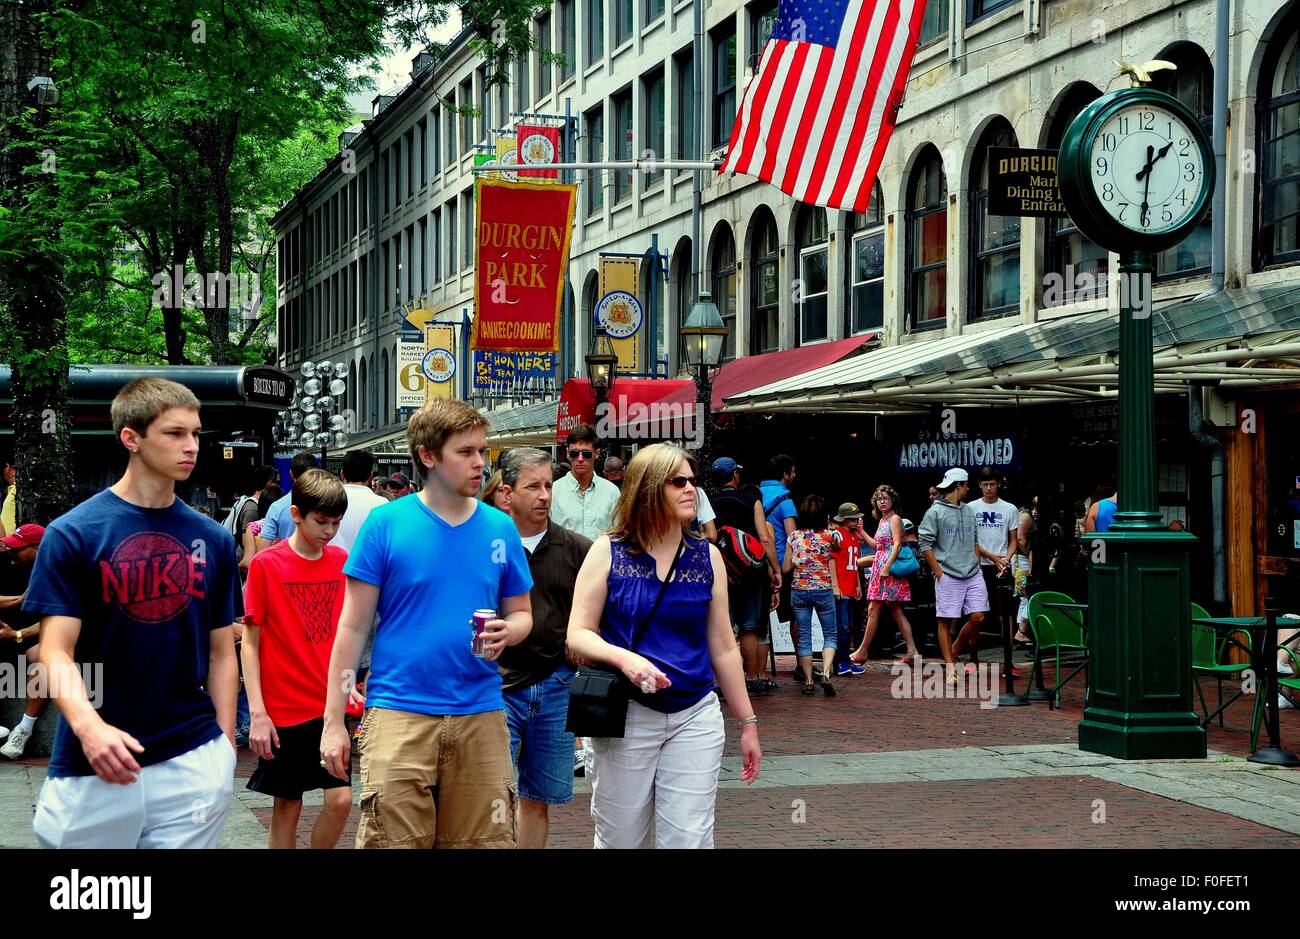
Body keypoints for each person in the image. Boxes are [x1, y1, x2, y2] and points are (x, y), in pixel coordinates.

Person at [24, 377, 239, 848]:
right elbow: (54, 651)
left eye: (196, 434)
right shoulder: (73, 535)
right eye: (174, 433)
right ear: (131, 439)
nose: (191, 446)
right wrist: (89, 726)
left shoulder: (215, 538)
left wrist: (223, 745)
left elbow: (223, 651)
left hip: (192, 755)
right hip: (94, 761)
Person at [320, 399, 534, 848]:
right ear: (428, 455)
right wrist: (333, 721)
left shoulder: (501, 528)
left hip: (481, 711)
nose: (480, 463)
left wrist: (510, 631)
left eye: (482, 450)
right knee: (393, 842)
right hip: (398, 710)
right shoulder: (385, 524)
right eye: (466, 452)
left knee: (486, 842)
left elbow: (522, 613)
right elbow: (353, 627)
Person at [567, 443, 761, 849]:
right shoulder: (608, 550)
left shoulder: (707, 557)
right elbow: (578, 632)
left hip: (695, 714)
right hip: (627, 713)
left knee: (689, 839)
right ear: (649, 489)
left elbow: (724, 646)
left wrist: (747, 723)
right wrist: (627, 660)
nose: (691, 489)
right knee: (621, 839)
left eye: (693, 481)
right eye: (678, 482)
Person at [242, 469, 354, 849]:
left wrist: (350, 685)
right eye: (321, 521)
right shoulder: (266, 565)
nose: (329, 530)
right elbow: (250, 643)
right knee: (287, 805)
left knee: (341, 800)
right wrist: (257, 712)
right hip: (284, 707)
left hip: (330, 706)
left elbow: (348, 634)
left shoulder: (342, 561)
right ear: (295, 514)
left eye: (336, 523)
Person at [497, 448, 591, 848]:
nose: (543, 496)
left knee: (539, 799)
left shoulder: (576, 548)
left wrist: (579, 639)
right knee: (494, 795)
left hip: (555, 686)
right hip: (497, 688)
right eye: (532, 486)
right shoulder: (488, 546)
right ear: (506, 492)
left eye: (548, 486)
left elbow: (594, 611)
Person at [710, 457, 781, 696]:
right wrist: (775, 569)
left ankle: (722, 683)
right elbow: (764, 538)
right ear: (735, 475)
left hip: (722, 573)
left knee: (724, 628)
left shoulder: (710, 503)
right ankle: (751, 679)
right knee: (750, 628)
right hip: (752, 572)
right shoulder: (751, 500)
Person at [917, 468, 987, 685]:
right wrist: (938, 571)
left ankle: (955, 649)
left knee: (979, 617)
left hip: (972, 572)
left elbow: (975, 540)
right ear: (959, 485)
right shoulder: (934, 512)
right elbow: (925, 543)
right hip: (947, 573)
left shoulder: (968, 511)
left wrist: (977, 564)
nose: (968, 489)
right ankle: (950, 668)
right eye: (966, 485)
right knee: (945, 619)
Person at [851, 486, 920, 664]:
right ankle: (912, 650)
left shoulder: (895, 519)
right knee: (895, 610)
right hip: (881, 567)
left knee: (874, 609)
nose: (882, 501)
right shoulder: (883, 520)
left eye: (885, 498)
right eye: (879, 498)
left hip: (886, 569)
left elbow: (897, 545)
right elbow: (878, 546)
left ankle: (863, 650)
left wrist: (887, 566)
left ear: (892, 500)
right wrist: (862, 532)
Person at [784, 495, 841, 697]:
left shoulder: (794, 537)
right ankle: (825, 673)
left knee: (804, 638)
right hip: (823, 589)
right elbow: (837, 550)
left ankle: (808, 681)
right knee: (830, 635)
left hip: (799, 589)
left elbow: (786, 567)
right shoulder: (829, 536)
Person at [0, 524, 47, 757]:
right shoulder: (10, 564)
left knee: (40, 656)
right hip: (12, 636)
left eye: (17, 549)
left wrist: (16, 635)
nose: (11, 552)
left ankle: (23, 730)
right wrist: (19, 600)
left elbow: (59, 622)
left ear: (38, 549)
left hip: (46, 638)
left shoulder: (59, 571)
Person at [970, 467, 1018, 672]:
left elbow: (1014, 541)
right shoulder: (970, 508)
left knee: (1005, 615)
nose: (989, 488)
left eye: (992, 484)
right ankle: (972, 659)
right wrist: (992, 557)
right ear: (979, 485)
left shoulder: (1009, 509)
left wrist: (1005, 560)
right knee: (975, 614)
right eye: (985, 484)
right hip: (978, 567)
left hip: (1002, 567)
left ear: (999, 484)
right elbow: (971, 542)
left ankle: (1009, 662)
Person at [760, 455, 799, 666]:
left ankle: (757, 671)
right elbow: (792, 536)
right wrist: (786, 567)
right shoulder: (785, 500)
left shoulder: (756, 494)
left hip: (757, 563)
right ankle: (803, 666)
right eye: (792, 471)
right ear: (785, 475)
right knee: (794, 616)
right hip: (781, 566)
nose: (794, 475)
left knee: (758, 619)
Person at [550, 424, 620, 540]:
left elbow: (618, 534)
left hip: (602, 557)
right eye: (574, 453)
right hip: (565, 558)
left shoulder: (611, 492)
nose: (580, 459)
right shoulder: (554, 491)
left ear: (596, 453)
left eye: (586, 454)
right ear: (568, 453)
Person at [829, 503, 867, 677]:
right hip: (842, 588)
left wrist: (859, 585)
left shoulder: (854, 536)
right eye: (853, 519)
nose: (856, 521)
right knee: (842, 626)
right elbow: (832, 561)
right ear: (844, 519)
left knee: (849, 625)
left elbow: (855, 564)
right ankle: (841, 662)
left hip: (851, 586)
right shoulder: (837, 535)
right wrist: (835, 586)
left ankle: (846, 660)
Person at [257, 452, 320, 549]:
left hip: (284, 562)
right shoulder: (328, 504)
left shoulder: (276, 507)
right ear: (317, 473)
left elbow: (263, 549)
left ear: (291, 474)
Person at [333, 450, 389, 554]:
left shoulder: (328, 501)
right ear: (371, 476)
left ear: (342, 474)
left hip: (331, 567)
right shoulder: (383, 505)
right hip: (369, 568)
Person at [1, 461, 16, 537]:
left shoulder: (18, 489)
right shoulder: (13, 489)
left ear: (8, 468)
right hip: (8, 543)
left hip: (13, 544)